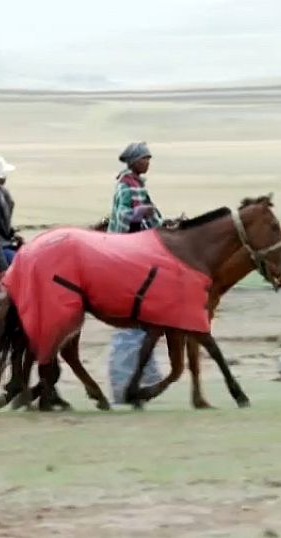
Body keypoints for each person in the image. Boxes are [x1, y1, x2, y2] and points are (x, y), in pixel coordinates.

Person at [105, 142, 163, 403]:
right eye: (144, 158)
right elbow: (120, 215)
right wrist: (138, 213)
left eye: (149, 158)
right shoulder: (125, 185)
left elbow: (153, 217)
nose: (148, 162)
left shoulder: (139, 184)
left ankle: (144, 380)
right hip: (128, 250)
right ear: (134, 161)